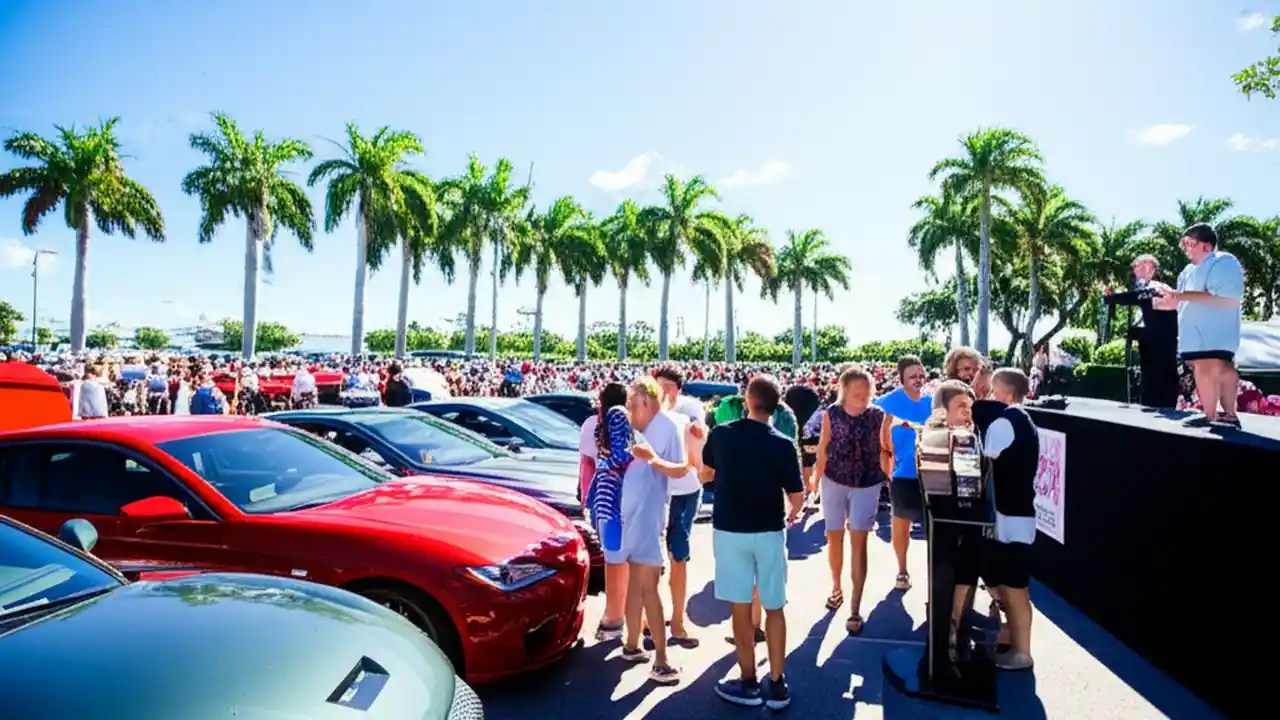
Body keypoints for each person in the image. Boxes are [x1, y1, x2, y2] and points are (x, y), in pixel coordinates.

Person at [702, 374, 805, 709]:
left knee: (740, 607)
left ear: (748, 399)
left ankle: (747, 680)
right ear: (776, 406)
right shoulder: (782, 443)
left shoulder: (721, 435)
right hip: (769, 530)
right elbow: (797, 495)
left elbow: (706, 473)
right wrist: (793, 514)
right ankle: (777, 682)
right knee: (775, 607)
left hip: (730, 529)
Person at [618, 376, 689, 685]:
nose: (630, 411)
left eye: (634, 405)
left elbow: (681, 468)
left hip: (648, 517)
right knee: (639, 584)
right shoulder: (632, 427)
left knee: (644, 585)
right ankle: (645, 652)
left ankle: (650, 653)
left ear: (650, 402)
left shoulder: (666, 427)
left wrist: (653, 459)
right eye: (628, 405)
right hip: (631, 517)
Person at [813, 366, 886, 635]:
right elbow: (823, 447)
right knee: (834, 536)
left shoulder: (878, 415)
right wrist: (814, 479)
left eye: (867, 392)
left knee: (859, 541)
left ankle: (855, 606)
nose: (864, 398)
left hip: (867, 482)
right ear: (844, 391)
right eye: (858, 393)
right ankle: (836, 586)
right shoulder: (831, 414)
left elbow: (887, 447)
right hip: (834, 479)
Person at [1153, 223, 1246, 426]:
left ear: (1205, 245)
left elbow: (1222, 296)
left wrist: (1179, 295)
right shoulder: (1187, 271)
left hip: (1216, 332)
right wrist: (1167, 302)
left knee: (1213, 368)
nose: (1185, 248)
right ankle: (1224, 414)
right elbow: (1184, 301)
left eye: (1189, 243)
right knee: (1213, 369)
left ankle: (1214, 415)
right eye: (1183, 244)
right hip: (1195, 336)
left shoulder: (1223, 262)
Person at [980, 368, 1039, 671]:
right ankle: (1015, 645)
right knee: (1011, 585)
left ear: (1003, 392)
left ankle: (1022, 652)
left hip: (1012, 515)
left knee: (1015, 588)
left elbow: (986, 457)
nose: (989, 394)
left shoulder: (1006, 421)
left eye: (992, 389)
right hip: (1017, 513)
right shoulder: (1022, 419)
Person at [653, 366, 706, 649]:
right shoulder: (646, 417)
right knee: (653, 557)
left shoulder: (690, 412)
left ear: (677, 388)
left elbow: (699, 452)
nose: (663, 391)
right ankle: (651, 618)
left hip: (684, 493)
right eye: (658, 385)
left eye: (668, 386)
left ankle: (677, 620)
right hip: (658, 492)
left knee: (679, 554)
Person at [876, 355, 933, 592]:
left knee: (935, 529)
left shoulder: (934, 401)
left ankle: (935, 576)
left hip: (932, 471)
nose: (918, 380)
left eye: (921, 375)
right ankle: (902, 569)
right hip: (902, 473)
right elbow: (881, 443)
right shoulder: (885, 403)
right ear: (901, 379)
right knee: (901, 525)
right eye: (913, 376)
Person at [585, 382, 634, 642]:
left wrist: (605, 464)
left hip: (609, 494)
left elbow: (617, 453)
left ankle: (614, 618)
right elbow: (622, 453)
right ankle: (618, 617)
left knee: (613, 554)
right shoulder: (616, 414)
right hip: (613, 494)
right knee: (615, 554)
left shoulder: (609, 415)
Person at [1131, 254, 1180, 407]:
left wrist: (1157, 304)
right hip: (1147, 338)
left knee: (1164, 375)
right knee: (1148, 375)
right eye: (1139, 266)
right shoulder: (1138, 289)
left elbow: (1174, 302)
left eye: (1147, 266)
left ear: (1153, 270)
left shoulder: (1159, 286)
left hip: (1163, 338)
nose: (1143, 270)